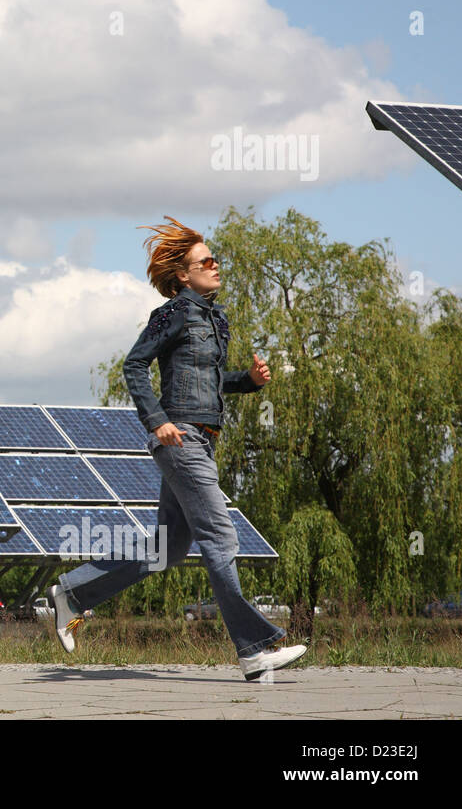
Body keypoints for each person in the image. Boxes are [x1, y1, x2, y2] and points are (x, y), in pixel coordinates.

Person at [46, 216, 307, 682]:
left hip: (203, 442)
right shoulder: (173, 313)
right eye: (206, 261)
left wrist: (247, 381)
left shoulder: (214, 317)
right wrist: (158, 420)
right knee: (222, 539)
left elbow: (206, 382)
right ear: (184, 275)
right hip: (179, 438)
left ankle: (72, 594)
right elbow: (133, 365)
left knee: (166, 550)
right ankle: (253, 650)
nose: (216, 265)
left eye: (216, 258)